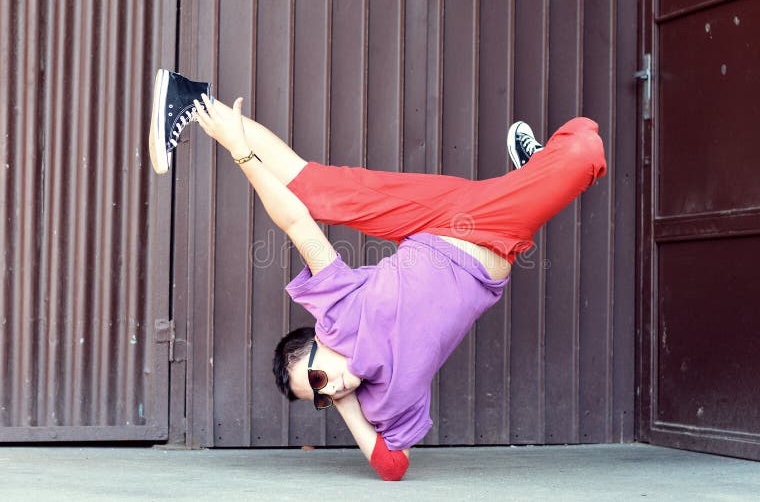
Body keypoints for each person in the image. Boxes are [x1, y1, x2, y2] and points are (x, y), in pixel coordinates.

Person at [149, 70, 607, 481]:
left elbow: (295, 222)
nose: (329, 391)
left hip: (433, 223)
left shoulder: (337, 311)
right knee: (584, 151)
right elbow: (392, 466)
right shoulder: (385, 401)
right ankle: (538, 172)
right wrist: (344, 400)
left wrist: (241, 152)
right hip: (492, 233)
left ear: (318, 342)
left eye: (317, 381)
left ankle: (192, 98)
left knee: (316, 193)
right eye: (320, 401)